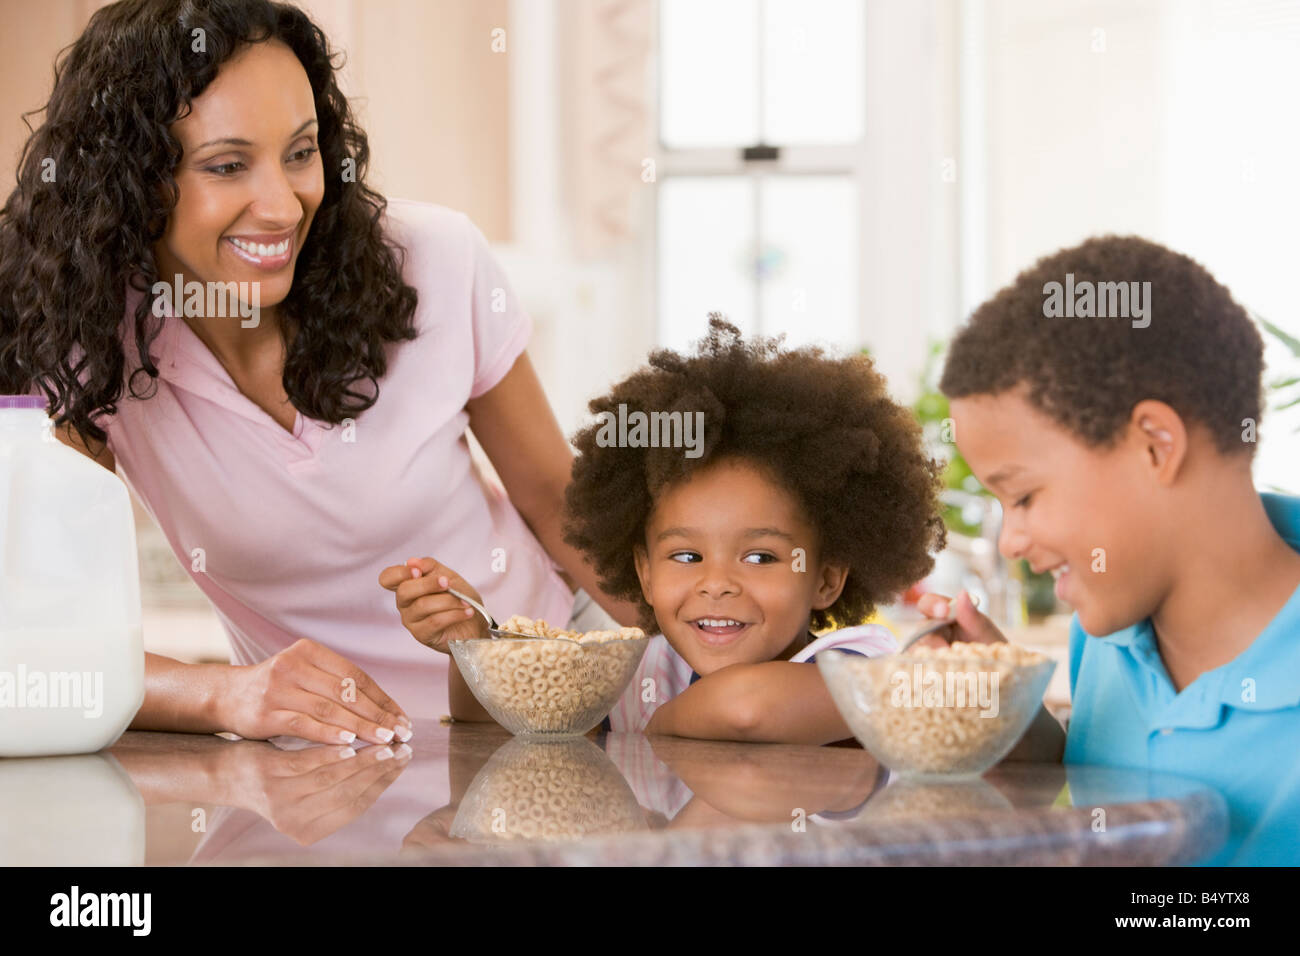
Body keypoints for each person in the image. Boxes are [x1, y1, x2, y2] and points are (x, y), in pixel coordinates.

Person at [0, 0, 634, 746]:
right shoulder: (88, 339)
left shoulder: (436, 261)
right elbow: (39, 641)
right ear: (133, 182)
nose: (282, 204)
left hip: (555, 707)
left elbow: (559, 505)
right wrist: (226, 696)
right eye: (227, 166)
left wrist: (679, 678)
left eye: (300, 153)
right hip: (328, 760)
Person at [925, 234, 1300, 865]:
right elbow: (1106, 776)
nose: (1012, 540)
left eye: (1021, 496)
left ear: (1155, 444)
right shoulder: (1105, 635)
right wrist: (1015, 718)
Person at [404, 315, 946, 744]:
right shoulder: (648, 670)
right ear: (642, 570)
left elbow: (745, 709)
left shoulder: (857, 664)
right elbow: (513, 725)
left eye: (760, 557)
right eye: (686, 557)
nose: (717, 583)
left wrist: (651, 732)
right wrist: (471, 650)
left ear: (826, 579)